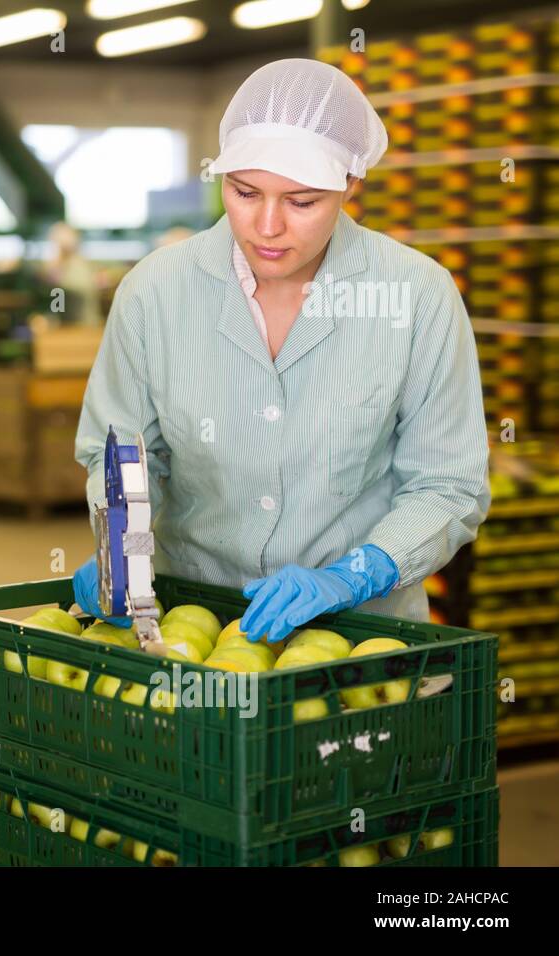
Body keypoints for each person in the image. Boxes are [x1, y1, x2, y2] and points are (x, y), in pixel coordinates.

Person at [71, 59, 489, 642]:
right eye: (244, 192)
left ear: (351, 185)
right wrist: (121, 547)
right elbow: (127, 450)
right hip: (190, 629)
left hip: (361, 639)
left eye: (301, 201)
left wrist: (356, 575)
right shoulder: (156, 290)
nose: (267, 226)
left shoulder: (417, 297)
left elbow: (448, 483)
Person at [43, 222, 103, 326]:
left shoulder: (76, 267)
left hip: (80, 327)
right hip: (78, 325)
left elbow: (61, 301)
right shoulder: (71, 265)